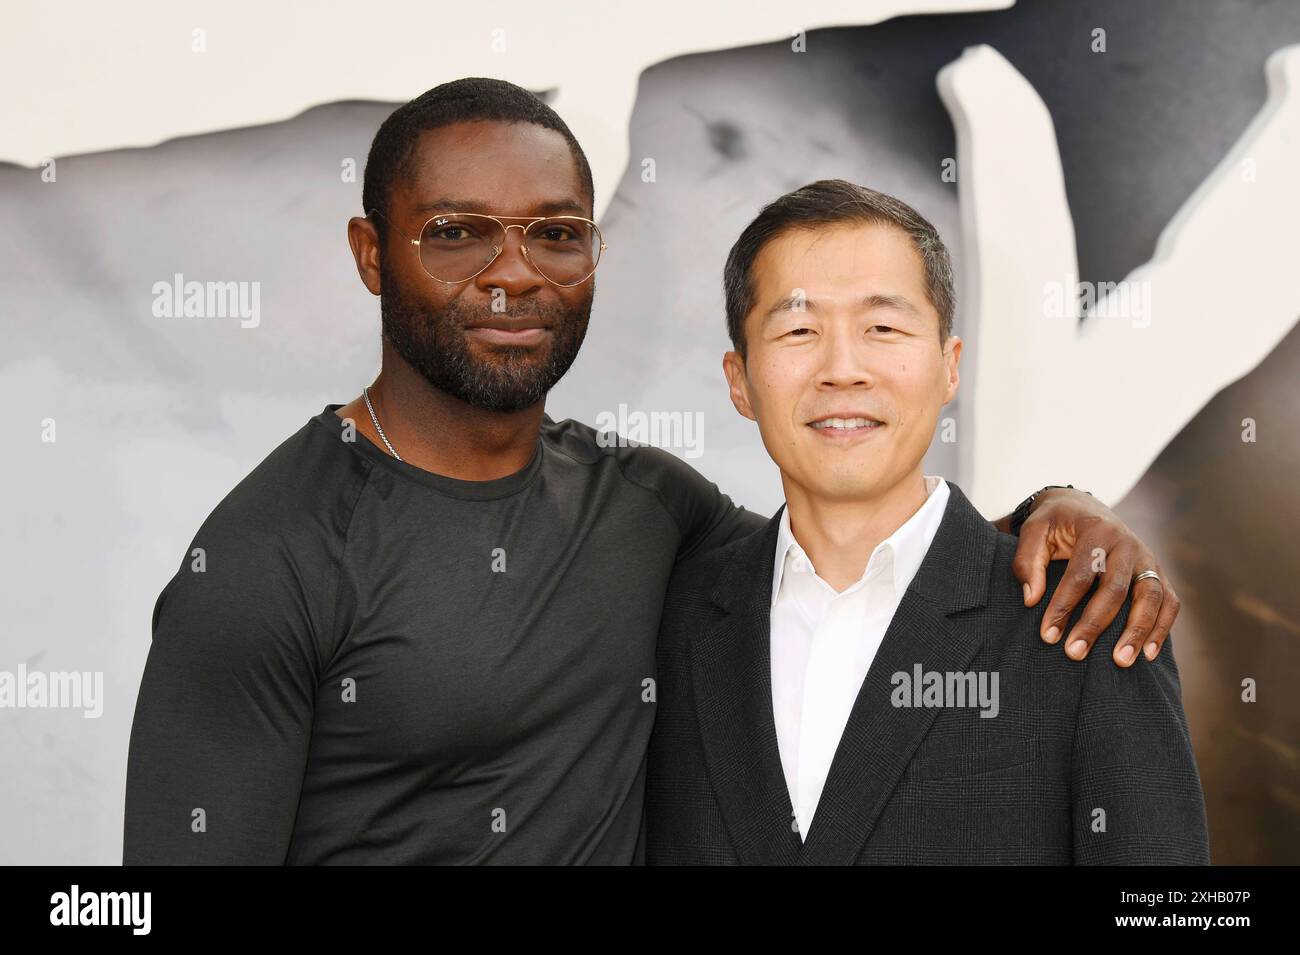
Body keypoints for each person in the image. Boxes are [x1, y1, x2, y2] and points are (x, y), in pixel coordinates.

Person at [125, 79, 1182, 865]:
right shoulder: (266, 558)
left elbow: (857, 541)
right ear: (370, 253)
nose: (511, 273)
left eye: (554, 235)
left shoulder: (649, 511)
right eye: (455, 235)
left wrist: (1060, 507)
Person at [644, 179, 1209, 864]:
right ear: (740, 380)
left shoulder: (1086, 618)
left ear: (949, 367)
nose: (842, 369)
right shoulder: (670, 616)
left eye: (882, 328)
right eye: (799, 330)